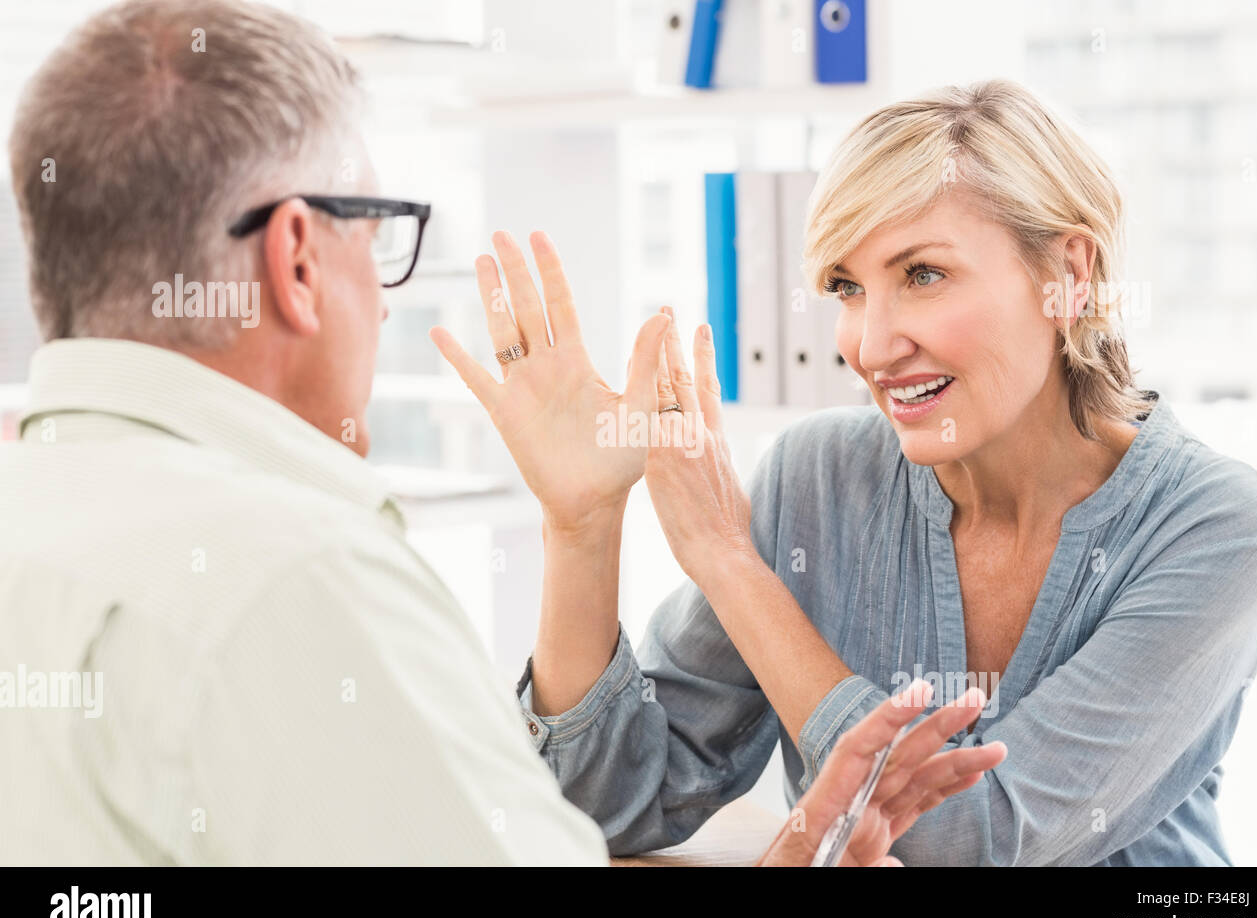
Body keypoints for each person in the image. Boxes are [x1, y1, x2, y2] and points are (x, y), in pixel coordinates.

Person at [0, 0, 1003, 866]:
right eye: (378, 230)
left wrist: (581, 523)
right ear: (299, 258)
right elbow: (595, 807)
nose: (384, 301)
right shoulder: (298, 578)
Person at [432, 79, 1257, 865]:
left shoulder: (1217, 526)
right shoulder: (821, 478)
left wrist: (731, 565)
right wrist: (581, 528)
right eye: (846, 287)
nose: (871, 346)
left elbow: (972, 840)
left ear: (1067, 276)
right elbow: (606, 808)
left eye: (923, 274)